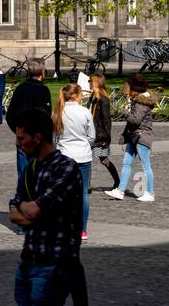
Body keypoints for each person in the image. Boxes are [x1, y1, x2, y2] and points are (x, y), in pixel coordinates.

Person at [9, 106, 85, 306]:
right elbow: (15, 212)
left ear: (38, 137)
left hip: (53, 267)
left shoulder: (66, 168)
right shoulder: (31, 169)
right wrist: (29, 210)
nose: (18, 144)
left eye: (21, 138)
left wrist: (30, 210)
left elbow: (33, 212)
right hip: (27, 264)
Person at [53, 83, 95, 239]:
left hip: (64, 155)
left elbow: (55, 138)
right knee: (83, 193)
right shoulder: (85, 112)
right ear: (77, 95)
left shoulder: (58, 112)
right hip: (83, 155)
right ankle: (82, 228)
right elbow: (91, 136)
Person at [105, 74, 156, 202]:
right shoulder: (138, 101)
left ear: (135, 89)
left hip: (141, 137)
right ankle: (120, 190)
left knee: (145, 165)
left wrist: (126, 112)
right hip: (134, 137)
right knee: (127, 163)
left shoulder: (141, 103)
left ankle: (150, 193)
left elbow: (135, 120)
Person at [6, 58, 53, 179]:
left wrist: (18, 131)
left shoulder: (21, 88)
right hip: (37, 139)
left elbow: (10, 114)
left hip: (24, 136)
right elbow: (46, 116)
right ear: (42, 72)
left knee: (23, 175)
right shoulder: (43, 90)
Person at [88, 73, 120, 193]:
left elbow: (107, 120)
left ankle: (117, 181)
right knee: (89, 158)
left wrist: (107, 136)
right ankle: (87, 186)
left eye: (90, 81)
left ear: (96, 82)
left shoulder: (103, 99)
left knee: (103, 159)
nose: (89, 83)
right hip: (91, 134)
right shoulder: (93, 97)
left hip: (99, 135)